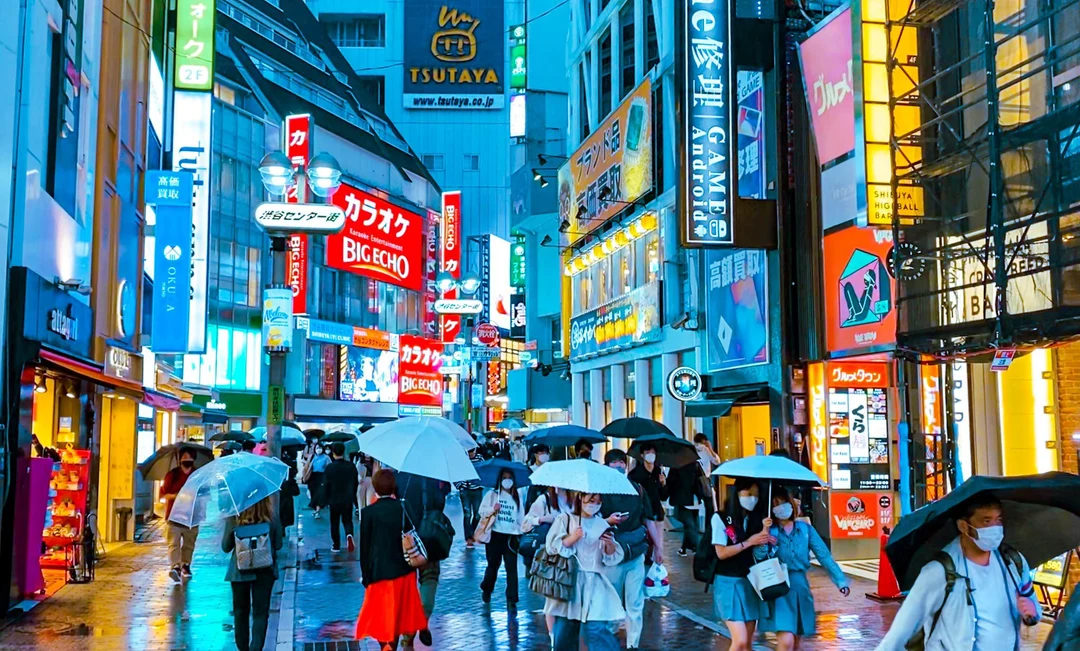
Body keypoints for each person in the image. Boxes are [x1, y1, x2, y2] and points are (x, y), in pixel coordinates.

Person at [874, 497, 1041, 651]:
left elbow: (1033, 607)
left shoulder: (1013, 561)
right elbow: (902, 629)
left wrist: (1031, 614)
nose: (995, 528)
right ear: (963, 526)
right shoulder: (939, 571)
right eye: (986, 521)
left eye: (998, 520)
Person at [755, 487, 849, 651]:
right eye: (776, 504)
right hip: (779, 587)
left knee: (796, 641)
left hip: (800, 587)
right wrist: (765, 533)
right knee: (786, 642)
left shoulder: (805, 530)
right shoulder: (771, 530)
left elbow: (824, 555)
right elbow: (758, 556)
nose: (781, 507)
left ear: (791, 505)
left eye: (784, 503)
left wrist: (840, 581)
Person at [356, 470, 430, 651]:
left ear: (375, 487)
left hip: (378, 573)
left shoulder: (368, 513)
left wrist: (366, 575)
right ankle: (394, 642)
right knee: (399, 615)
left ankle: (386, 645)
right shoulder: (403, 508)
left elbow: (364, 549)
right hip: (403, 571)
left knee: (382, 617)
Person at [546, 492, 626, 651]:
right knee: (566, 630)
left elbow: (610, 557)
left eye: (598, 501)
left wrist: (609, 545)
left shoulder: (602, 524)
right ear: (580, 498)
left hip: (595, 583)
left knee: (597, 628)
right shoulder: (565, 519)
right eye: (591, 500)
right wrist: (573, 537)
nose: (594, 504)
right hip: (569, 582)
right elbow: (552, 547)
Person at [599, 449, 658, 650]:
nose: (618, 466)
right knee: (611, 601)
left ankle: (633, 644)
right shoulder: (600, 492)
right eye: (614, 462)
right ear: (606, 466)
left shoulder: (638, 489)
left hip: (635, 554)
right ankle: (609, 639)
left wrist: (659, 548)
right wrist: (608, 522)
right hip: (611, 556)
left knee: (635, 603)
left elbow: (649, 520)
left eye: (621, 462)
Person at [710, 478, 774, 651]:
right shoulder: (721, 518)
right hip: (728, 583)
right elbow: (721, 553)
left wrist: (765, 535)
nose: (752, 498)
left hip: (750, 582)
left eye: (755, 494)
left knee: (747, 643)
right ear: (737, 493)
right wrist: (749, 542)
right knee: (739, 640)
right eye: (748, 493)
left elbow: (760, 554)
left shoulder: (757, 520)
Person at [222, 496, 283, 651]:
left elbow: (225, 546)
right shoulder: (271, 517)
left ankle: (243, 648)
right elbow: (279, 544)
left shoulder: (235, 516)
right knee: (260, 614)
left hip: (239, 572)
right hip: (264, 572)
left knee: (240, 612)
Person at [398, 472, 450, 647]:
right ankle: (414, 629)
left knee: (417, 589)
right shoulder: (434, 478)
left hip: (407, 541)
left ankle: (410, 634)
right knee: (427, 588)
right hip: (428, 540)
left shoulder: (399, 478)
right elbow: (440, 506)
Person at [479, 468, 525, 606]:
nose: (507, 480)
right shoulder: (492, 495)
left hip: (511, 537)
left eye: (510, 477)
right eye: (504, 477)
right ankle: (487, 589)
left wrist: (521, 530)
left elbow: (521, 517)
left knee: (511, 569)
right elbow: (482, 511)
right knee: (493, 566)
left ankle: (512, 599)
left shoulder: (517, 496)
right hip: (495, 535)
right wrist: (493, 509)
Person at [162, 447, 200, 583]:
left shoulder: (198, 475)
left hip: (192, 517)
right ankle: (175, 567)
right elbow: (164, 494)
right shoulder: (172, 475)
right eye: (183, 458)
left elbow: (204, 494)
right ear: (179, 460)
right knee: (174, 544)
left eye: (189, 457)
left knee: (189, 544)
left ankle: (186, 565)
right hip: (174, 516)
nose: (186, 460)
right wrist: (177, 496)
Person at [628, 443, 667, 565]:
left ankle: (656, 565)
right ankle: (645, 559)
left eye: (653, 453)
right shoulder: (635, 474)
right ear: (642, 455)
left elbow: (664, 496)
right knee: (647, 539)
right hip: (642, 512)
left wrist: (663, 484)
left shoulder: (659, 472)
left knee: (658, 543)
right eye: (648, 453)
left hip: (657, 512)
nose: (651, 455)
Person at [667, 460, 712, 557]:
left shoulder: (676, 466)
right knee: (691, 525)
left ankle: (698, 548)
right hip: (695, 500)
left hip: (684, 500)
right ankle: (684, 548)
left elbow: (670, 483)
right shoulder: (696, 464)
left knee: (690, 526)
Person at [322, 442, 359, 553]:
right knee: (347, 520)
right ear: (343, 452)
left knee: (334, 522)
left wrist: (326, 499)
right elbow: (355, 483)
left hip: (334, 499)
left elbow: (326, 484)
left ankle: (336, 545)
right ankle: (349, 534)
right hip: (347, 498)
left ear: (333, 453)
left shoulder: (330, 467)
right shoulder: (351, 466)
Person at [454, 453, 485, 549]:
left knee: (477, 514)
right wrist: (460, 485)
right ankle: (468, 537)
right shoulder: (461, 458)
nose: (471, 453)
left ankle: (472, 533)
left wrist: (481, 483)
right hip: (465, 490)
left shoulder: (479, 458)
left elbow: (484, 471)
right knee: (467, 514)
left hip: (477, 489)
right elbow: (455, 472)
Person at [303, 444, 331, 517]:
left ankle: (317, 510)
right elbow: (309, 467)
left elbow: (329, 467)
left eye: (320, 448)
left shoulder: (326, 457)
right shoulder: (313, 457)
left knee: (319, 493)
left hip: (322, 476)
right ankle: (316, 508)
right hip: (313, 477)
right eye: (317, 448)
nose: (319, 450)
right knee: (313, 492)